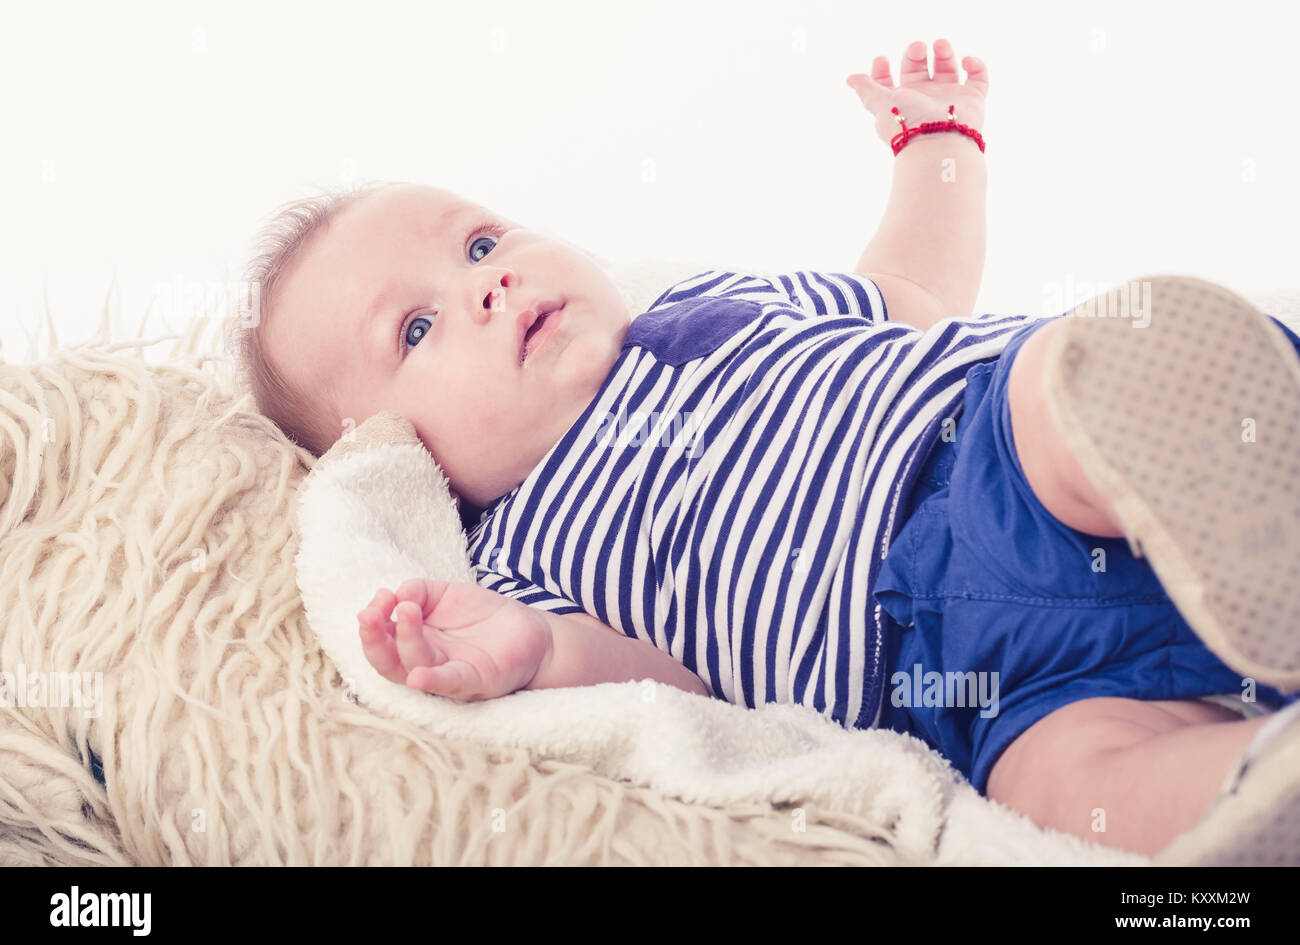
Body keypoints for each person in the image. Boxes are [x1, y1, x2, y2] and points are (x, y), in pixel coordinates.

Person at [230, 39, 1300, 861]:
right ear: (392, 451)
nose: (485, 283)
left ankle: (1225, 462)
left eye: (479, 241)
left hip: (976, 463)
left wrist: (937, 151)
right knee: (1061, 792)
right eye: (415, 330)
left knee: (1066, 391)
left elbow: (912, 292)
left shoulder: (708, 309)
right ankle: (1250, 780)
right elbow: (667, 686)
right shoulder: (517, 555)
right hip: (948, 689)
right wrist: (532, 655)